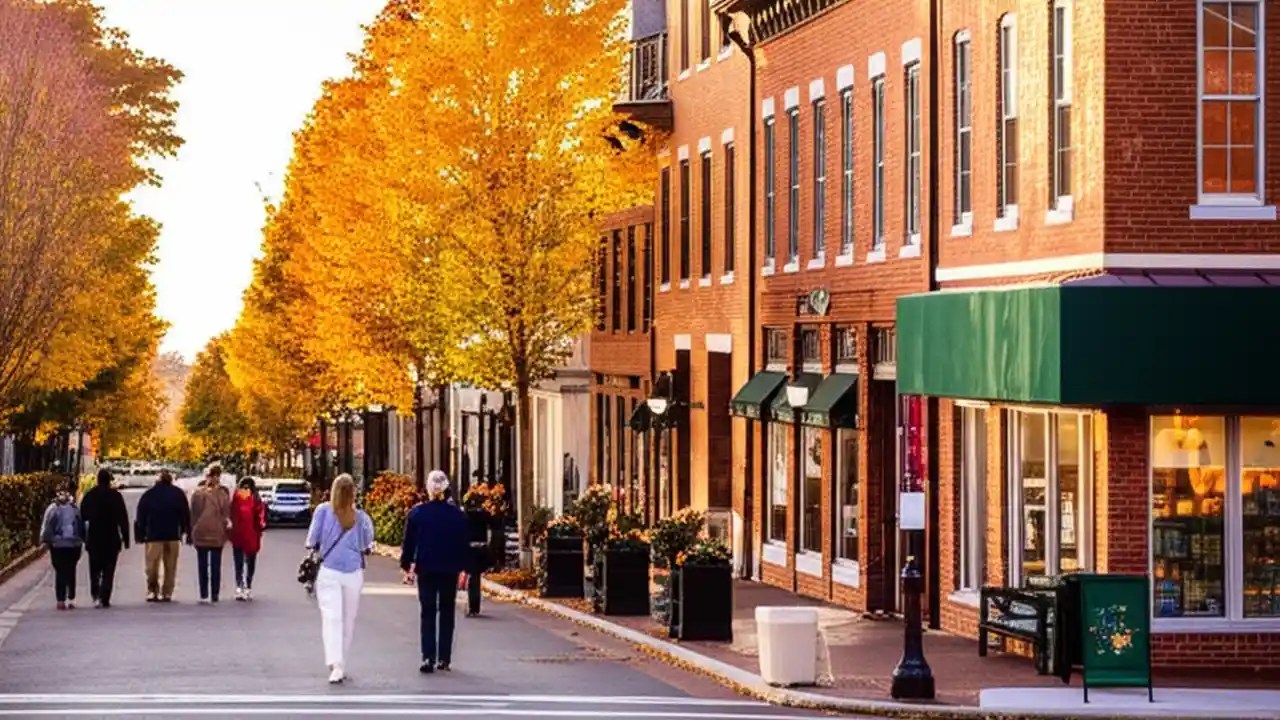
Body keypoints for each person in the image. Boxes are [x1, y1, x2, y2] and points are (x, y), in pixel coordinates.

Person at [306, 473, 374, 684]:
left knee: (331, 618)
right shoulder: (361, 518)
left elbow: (312, 541)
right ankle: (341, 663)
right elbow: (367, 545)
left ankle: (335, 663)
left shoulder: (323, 512)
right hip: (353, 572)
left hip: (329, 570)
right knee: (348, 620)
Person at [401, 470, 469, 674]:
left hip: (426, 568)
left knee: (428, 611)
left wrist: (407, 567)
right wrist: (464, 568)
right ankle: (444, 658)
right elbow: (463, 545)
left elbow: (409, 545)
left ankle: (428, 656)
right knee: (447, 611)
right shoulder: (458, 516)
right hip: (449, 568)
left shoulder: (417, 514)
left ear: (428, 489)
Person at [135, 469, 191, 602]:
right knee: (170, 566)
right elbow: (185, 514)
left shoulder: (149, 495)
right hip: (172, 535)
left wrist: (140, 534)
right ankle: (167, 592)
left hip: (153, 535)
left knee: (152, 566)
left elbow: (140, 515)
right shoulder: (178, 494)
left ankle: (152, 590)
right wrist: (185, 530)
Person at [79, 469, 130, 608]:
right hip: (112, 538)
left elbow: (83, 515)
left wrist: (82, 536)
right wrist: (126, 539)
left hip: (95, 537)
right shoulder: (116, 496)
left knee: (94, 569)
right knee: (109, 569)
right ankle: (105, 596)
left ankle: (95, 594)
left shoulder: (90, 495)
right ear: (109, 480)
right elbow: (123, 519)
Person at [189, 463, 231, 604]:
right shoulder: (223, 494)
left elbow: (194, 513)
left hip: (200, 531)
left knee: (202, 564)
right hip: (217, 532)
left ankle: (204, 592)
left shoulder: (198, 493)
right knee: (215, 564)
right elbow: (226, 513)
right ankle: (214, 593)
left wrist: (191, 530)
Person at [40, 482, 84, 610]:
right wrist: (82, 539)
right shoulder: (74, 507)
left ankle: (60, 599)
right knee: (71, 570)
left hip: (57, 545)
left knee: (60, 571)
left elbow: (46, 525)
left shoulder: (52, 508)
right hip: (73, 544)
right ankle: (71, 597)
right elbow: (80, 524)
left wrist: (45, 540)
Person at [229, 476, 266, 601]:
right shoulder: (256, 498)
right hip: (252, 535)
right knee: (250, 562)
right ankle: (248, 586)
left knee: (238, 562)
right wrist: (260, 527)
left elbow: (232, 513)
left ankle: (239, 586)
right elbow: (260, 517)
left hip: (238, 534)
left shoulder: (237, 496)